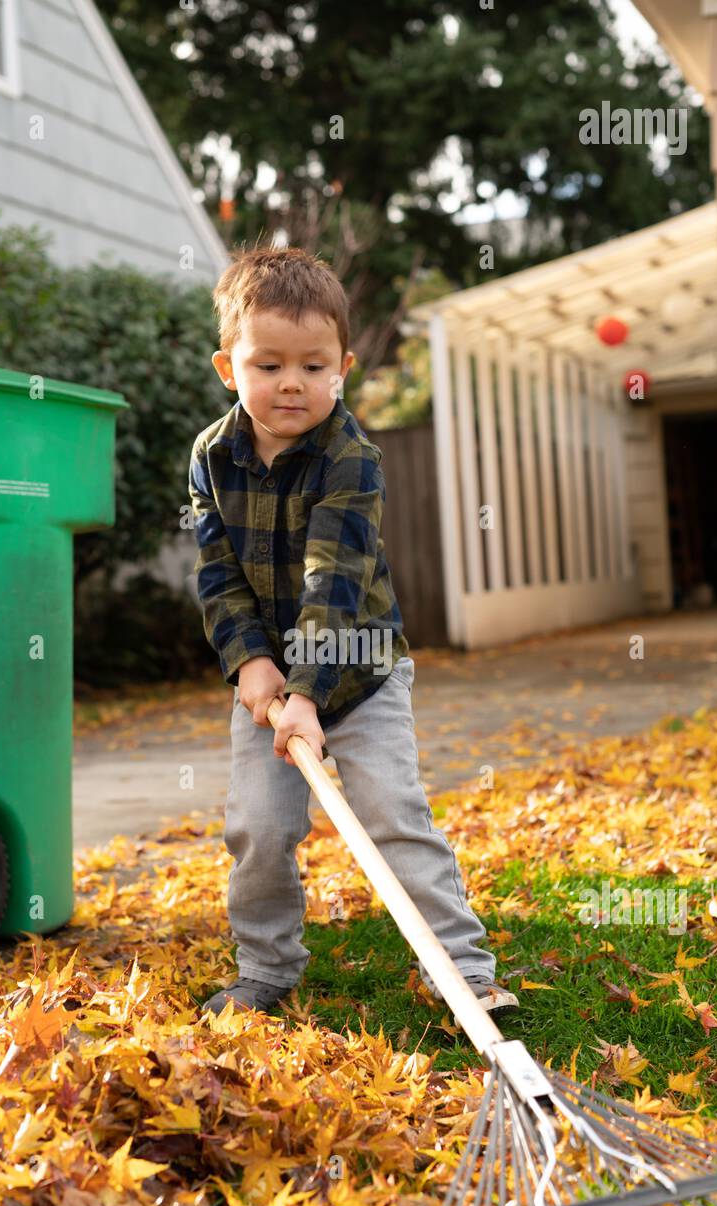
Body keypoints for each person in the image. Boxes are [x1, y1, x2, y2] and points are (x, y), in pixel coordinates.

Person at [187, 245, 518, 1018]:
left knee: (392, 815)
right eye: (268, 365)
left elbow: (331, 583)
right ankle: (266, 970)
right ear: (228, 368)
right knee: (259, 830)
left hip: (361, 670)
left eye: (313, 365)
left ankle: (463, 972)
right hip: (270, 688)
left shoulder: (350, 457)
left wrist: (309, 687)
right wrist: (252, 665)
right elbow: (216, 572)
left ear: (343, 367)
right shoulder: (211, 456)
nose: (292, 383)